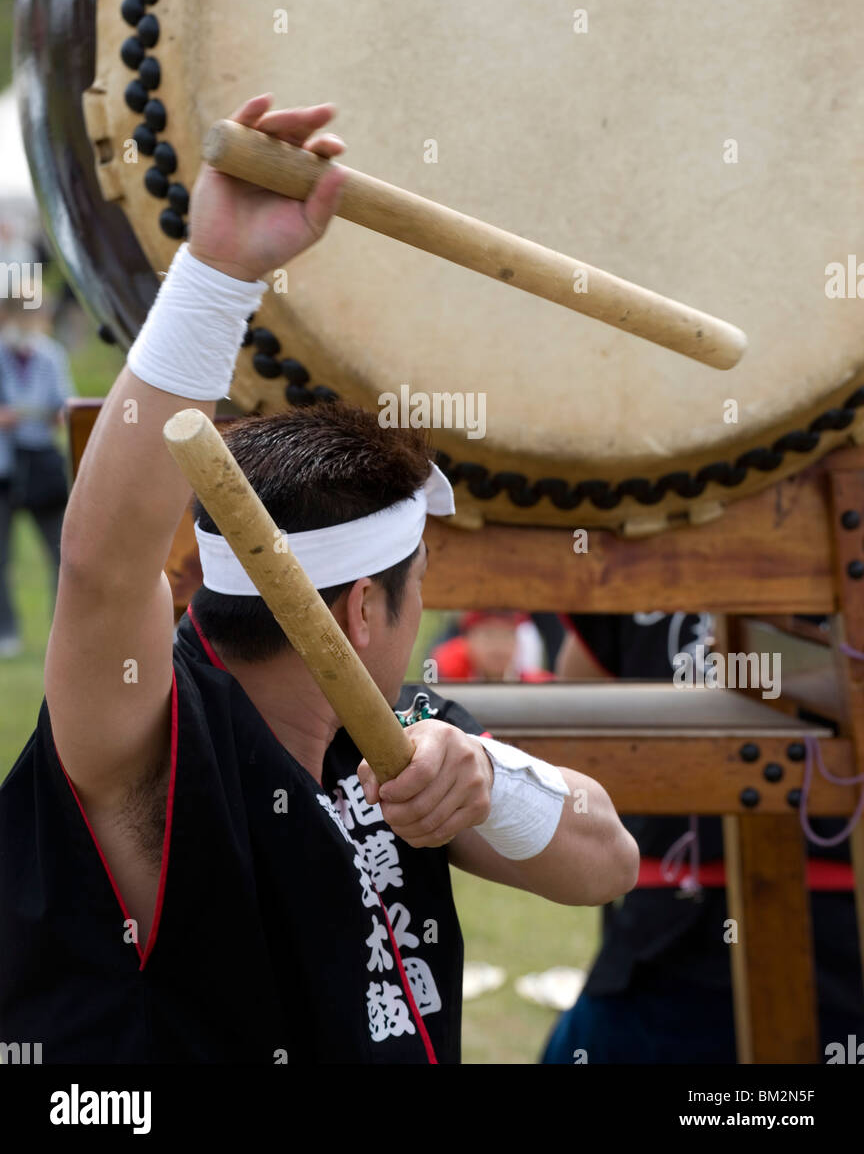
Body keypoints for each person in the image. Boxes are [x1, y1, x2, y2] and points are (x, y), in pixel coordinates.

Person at [0, 94, 639, 1064]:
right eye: (420, 580)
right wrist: (215, 273)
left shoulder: (402, 736)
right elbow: (101, 563)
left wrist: (489, 781)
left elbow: (607, 863)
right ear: (368, 602)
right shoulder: (156, 738)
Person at [541, 612, 864, 1064]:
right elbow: (573, 718)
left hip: (701, 927)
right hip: (672, 926)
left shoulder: (642, 556)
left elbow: (572, 713)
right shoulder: (639, 558)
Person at [0, 296, 74, 658]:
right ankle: (6, 633)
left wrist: (38, 414)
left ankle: (64, 631)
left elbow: (65, 405)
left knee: (62, 553)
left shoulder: (50, 355)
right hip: (5, 468)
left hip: (43, 467)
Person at [431, 610, 555, 683]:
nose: (498, 646)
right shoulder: (450, 682)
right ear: (469, 640)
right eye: (489, 635)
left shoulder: (539, 685)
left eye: (507, 635)